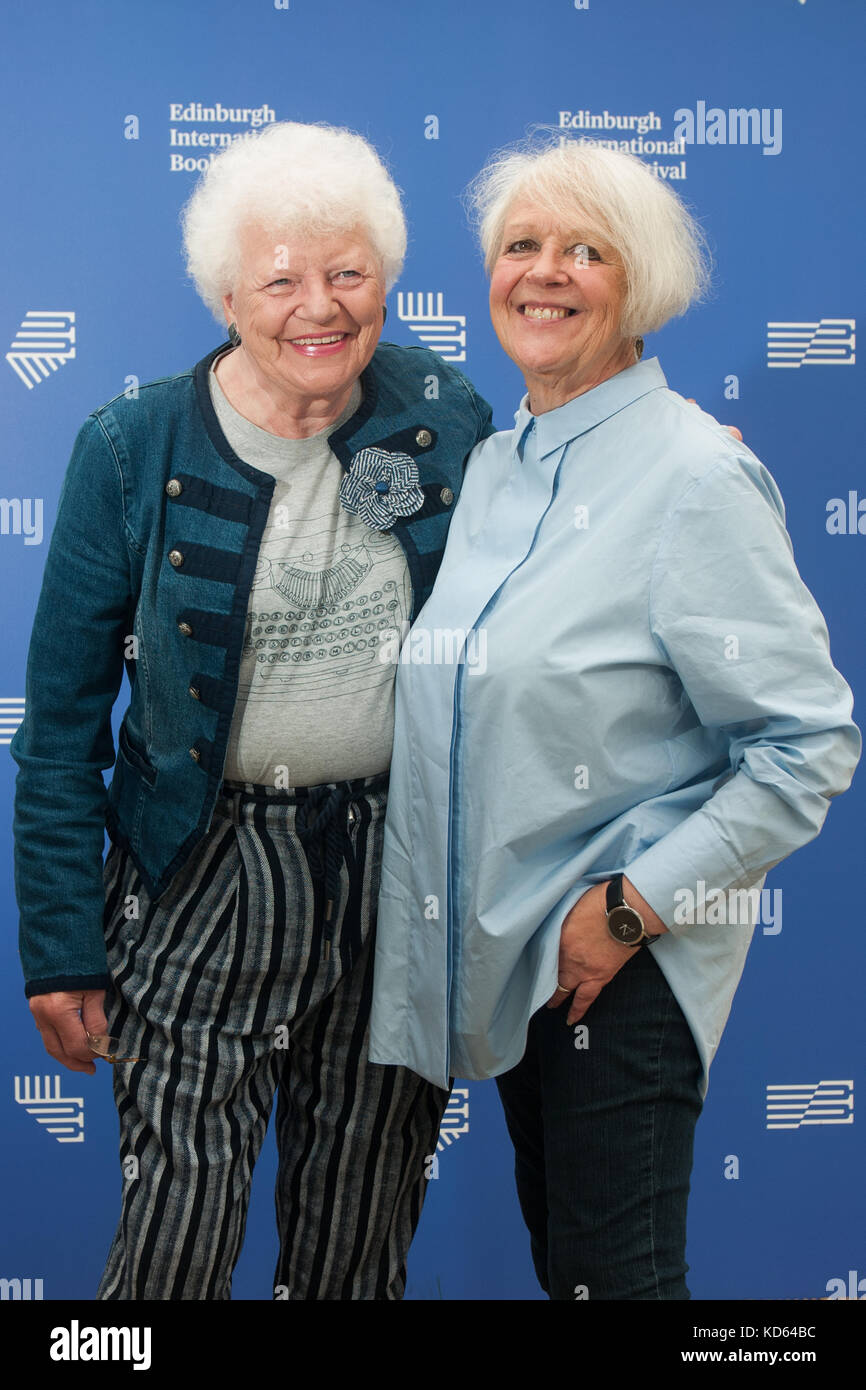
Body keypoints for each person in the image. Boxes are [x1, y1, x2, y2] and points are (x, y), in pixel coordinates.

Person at [368, 135, 860, 1300]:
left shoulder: (694, 474)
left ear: (635, 284)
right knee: (576, 1278)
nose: (544, 272)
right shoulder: (496, 462)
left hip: (618, 962)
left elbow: (807, 743)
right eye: (520, 246)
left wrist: (629, 911)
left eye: (584, 251)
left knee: (617, 1285)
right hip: (512, 955)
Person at [11, 121, 494, 1300]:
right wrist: (61, 942)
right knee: (174, 1243)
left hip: (394, 863)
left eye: (347, 273)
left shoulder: (446, 412)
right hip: (201, 870)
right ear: (228, 294)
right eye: (280, 280)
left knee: (357, 1235)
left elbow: (551, 545)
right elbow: (63, 723)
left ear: (385, 278)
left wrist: (658, 475)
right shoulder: (132, 448)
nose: (317, 307)